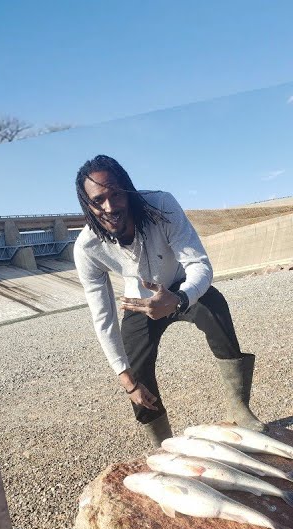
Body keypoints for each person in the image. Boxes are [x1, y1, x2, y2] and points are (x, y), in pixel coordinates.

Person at [72, 154, 264, 447]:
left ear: (128, 189)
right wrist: (127, 381)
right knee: (134, 369)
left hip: (180, 286)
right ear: (88, 205)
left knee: (216, 310)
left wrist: (178, 299)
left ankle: (239, 408)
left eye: (116, 194)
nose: (110, 207)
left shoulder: (160, 206)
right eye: (99, 200)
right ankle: (162, 444)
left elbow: (199, 264)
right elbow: (103, 317)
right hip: (140, 299)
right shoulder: (86, 248)